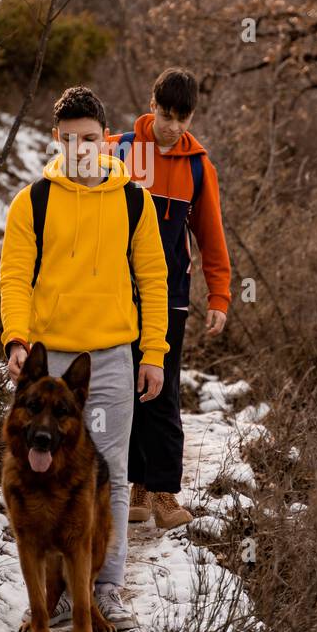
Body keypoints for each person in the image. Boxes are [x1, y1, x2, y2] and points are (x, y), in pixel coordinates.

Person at [0, 84, 169, 628]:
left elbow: (154, 280)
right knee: (45, 475)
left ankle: (106, 590)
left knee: (109, 474)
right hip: (49, 363)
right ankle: (54, 598)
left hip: (112, 358)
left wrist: (154, 352)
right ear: (56, 139)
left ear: (106, 139)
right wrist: (16, 339)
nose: (80, 149)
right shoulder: (33, 202)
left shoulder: (134, 201)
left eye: (90, 139)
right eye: (69, 140)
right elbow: (14, 278)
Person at [108, 68, 231, 529]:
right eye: (166, 115)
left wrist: (219, 296)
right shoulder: (121, 151)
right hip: (117, 292)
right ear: (151, 105)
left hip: (172, 295)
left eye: (183, 118)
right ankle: (134, 485)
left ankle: (161, 492)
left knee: (161, 389)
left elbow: (211, 236)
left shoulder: (198, 166)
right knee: (121, 387)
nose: (173, 126)